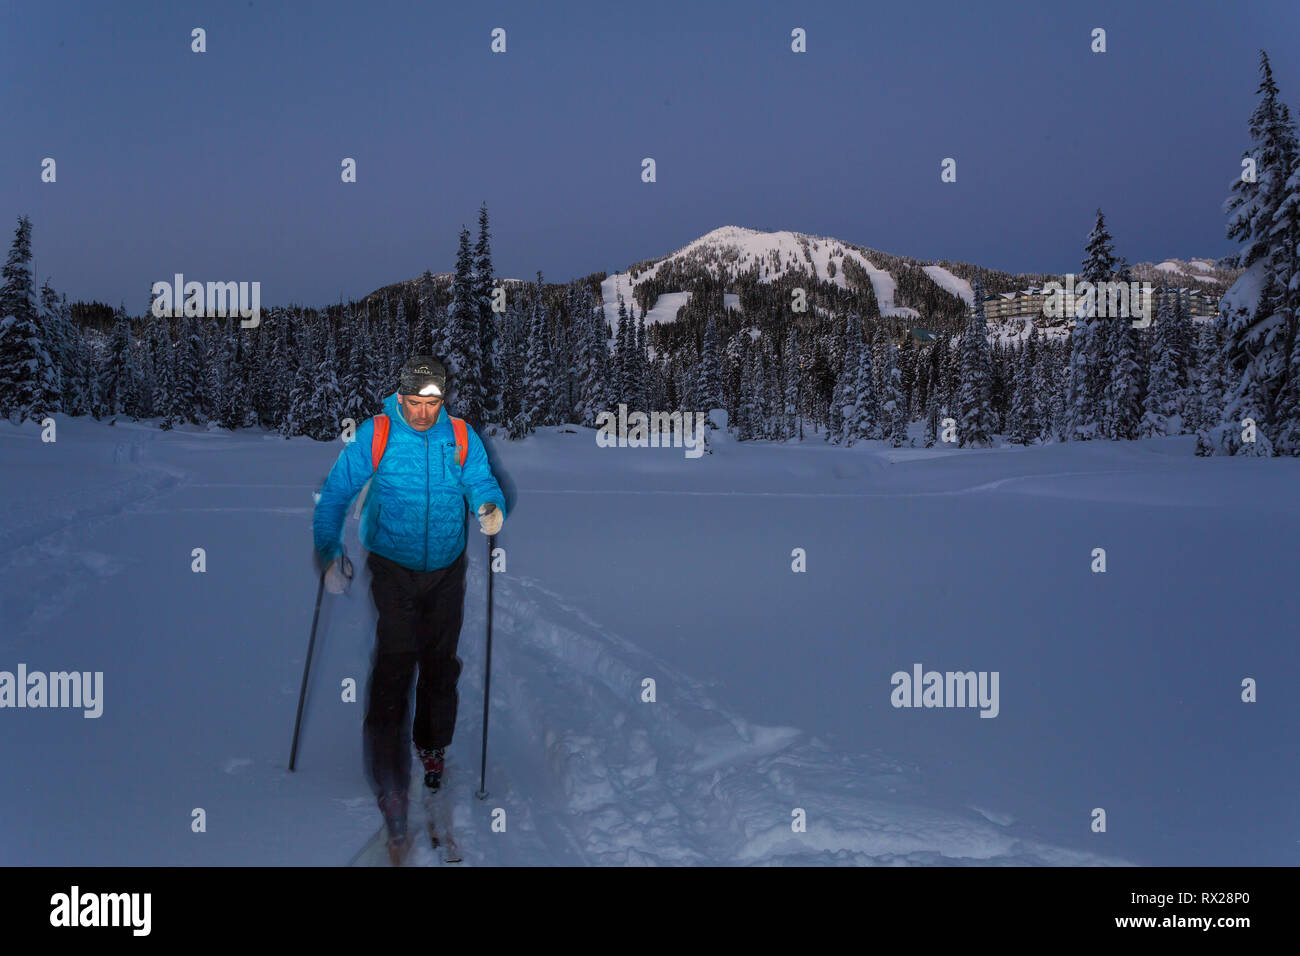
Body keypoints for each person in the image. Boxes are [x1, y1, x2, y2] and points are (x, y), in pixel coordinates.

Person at [311, 356, 506, 861]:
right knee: (397, 658)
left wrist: (489, 506)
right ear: (400, 397)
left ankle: (432, 746)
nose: (423, 411)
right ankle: (388, 771)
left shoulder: (460, 436)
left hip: (447, 566)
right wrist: (329, 553)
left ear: (444, 399)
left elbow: (481, 482)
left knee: (441, 662)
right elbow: (334, 494)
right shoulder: (377, 433)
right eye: (415, 402)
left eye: (432, 402)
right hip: (392, 565)